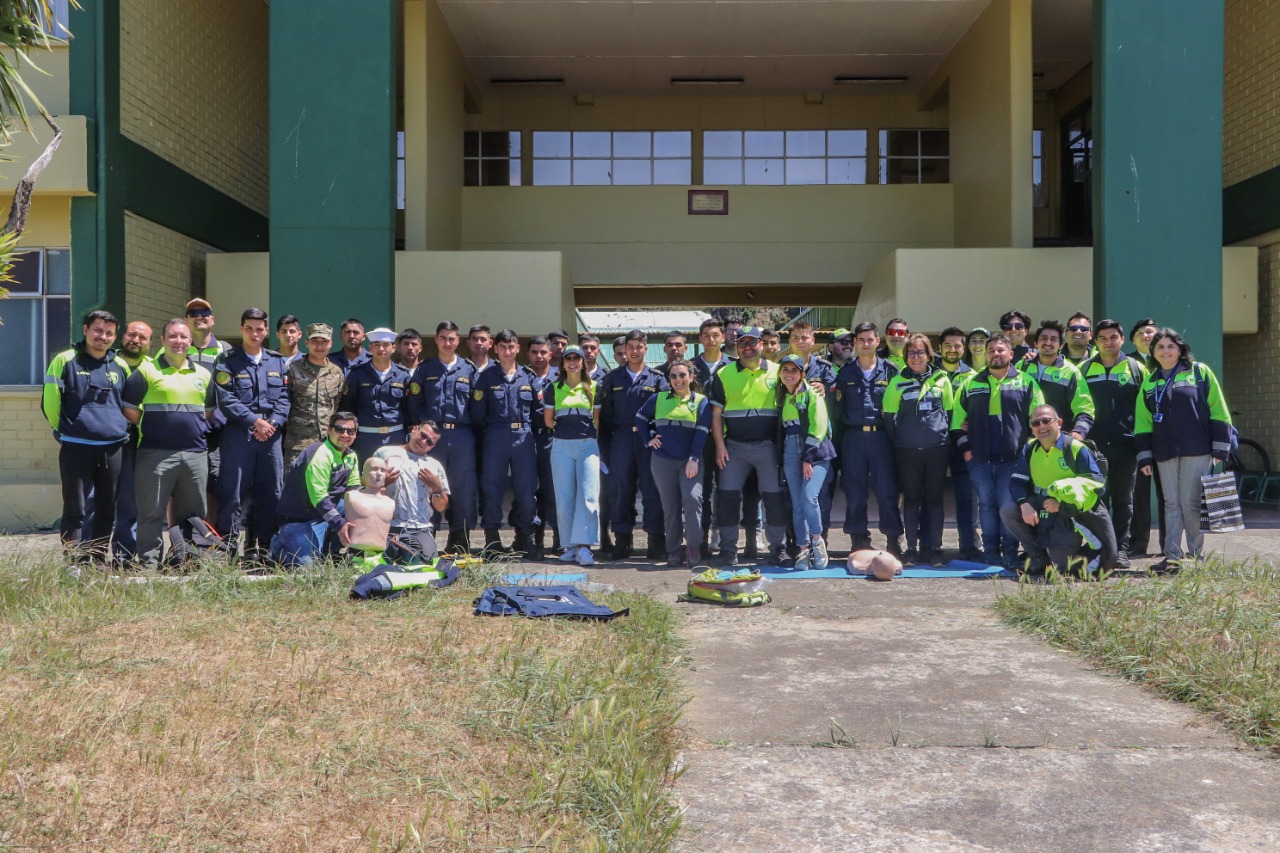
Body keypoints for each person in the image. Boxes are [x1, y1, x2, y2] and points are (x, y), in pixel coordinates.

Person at [1135, 328, 1233, 573]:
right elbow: (1142, 422)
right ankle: (1172, 558)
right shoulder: (1150, 381)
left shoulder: (1199, 372)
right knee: (1171, 503)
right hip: (1164, 451)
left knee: (1190, 503)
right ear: (1153, 352)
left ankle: (1196, 557)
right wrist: (1145, 454)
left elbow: (1218, 409)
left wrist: (1220, 448)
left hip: (1196, 449)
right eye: (1160, 347)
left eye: (1170, 346)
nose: (1165, 351)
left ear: (1180, 349)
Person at [121, 318, 213, 568]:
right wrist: (151, 425)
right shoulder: (148, 371)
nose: (179, 341)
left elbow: (208, 412)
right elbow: (128, 407)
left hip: (195, 454)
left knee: (193, 515)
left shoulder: (203, 374)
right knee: (151, 513)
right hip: (155, 454)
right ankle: (149, 565)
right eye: (173, 336)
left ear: (190, 341)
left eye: (183, 337)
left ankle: (188, 562)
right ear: (162, 341)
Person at [42, 309, 131, 561]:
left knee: (106, 510)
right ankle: (74, 563)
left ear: (115, 337)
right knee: (75, 510)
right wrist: (64, 431)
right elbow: (50, 403)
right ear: (85, 330)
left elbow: (128, 405)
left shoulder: (120, 365)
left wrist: (121, 430)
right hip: (76, 447)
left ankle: (98, 561)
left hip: (113, 447)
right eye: (97, 330)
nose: (102, 336)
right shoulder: (65, 360)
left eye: (109, 333)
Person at [951, 333, 1044, 569]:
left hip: (1012, 460)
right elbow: (956, 421)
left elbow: (1039, 419)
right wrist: (966, 450)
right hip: (979, 460)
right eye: (991, 350)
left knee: (1007, 507)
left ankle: (1011, 551)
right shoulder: (971, 384)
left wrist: (1028, 452)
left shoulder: (1026, 382)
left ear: (1011, 354)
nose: (995, 353)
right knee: (986, 506)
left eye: (1001, 350)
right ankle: (991, 551)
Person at [210, 307, 291, 558]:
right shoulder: (227, 360)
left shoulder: (277, 360)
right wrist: (256, 421)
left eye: (259, 329)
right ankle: (228, 549)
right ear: (241, 329)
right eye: (249, 328)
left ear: (266, 331)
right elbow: (226, 399)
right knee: (232, 493)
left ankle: (264, 548)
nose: (254, 333)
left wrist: (273, 423)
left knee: (271, 494)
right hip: (240, 435)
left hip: (271, 437)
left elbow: (286, 399)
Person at [1003, 404, 1117, 576]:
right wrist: (1024, 504)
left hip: (1070, 510)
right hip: (1042, 505)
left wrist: (1063, 504)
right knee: (1008, 510)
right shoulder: (1030, 448)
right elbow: (1016, 483)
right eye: (1036, 423)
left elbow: (1097, 484)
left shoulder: (1075, 448)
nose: (1041, 426)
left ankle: (1062, 555)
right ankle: (1037, 555)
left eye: (1046, 421)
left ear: (1059, 423)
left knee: (1063, 570)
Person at [708, 325, 788, 566]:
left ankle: (777, 548)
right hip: (734, 448)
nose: (748, 348)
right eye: (743, 343)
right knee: (728, 499)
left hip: (767, 448)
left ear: (761, 345)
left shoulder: (777, 371)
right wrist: (720, 447)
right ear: (736, 346)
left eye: (753, 343)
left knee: (774, 500)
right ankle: (728, 550)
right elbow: (715, 415)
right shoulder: (723, 374)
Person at [471, 328, 544, 558]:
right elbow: (477, 413)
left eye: (511, 346)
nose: (506, 351)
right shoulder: (486, 377)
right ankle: (492, 541)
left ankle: (527, 539)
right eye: (502, 347)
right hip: (496, 435)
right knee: (492, 488)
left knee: (526, 489)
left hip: (523, 436)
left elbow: (539, 411)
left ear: (517, 348)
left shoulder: (528, 376)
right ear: (496, 348)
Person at [882, 334, 954, 567]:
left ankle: (934, 548)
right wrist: (903, 441)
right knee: (912, 499)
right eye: (911, 353)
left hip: (937, 449)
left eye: (920, 352)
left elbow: (950, 414)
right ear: (905, 356)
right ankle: (911, 548)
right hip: (908, 451)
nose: (916, 357)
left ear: (929, 355)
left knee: (934, 499)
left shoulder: (942, 379)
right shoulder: (897, 382)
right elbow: (889, 418)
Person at [1080, 319, 1147, 569]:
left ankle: (1120, 550)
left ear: (1122, 340)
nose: (1109, 342)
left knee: (1123, 501)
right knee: (1097, 500)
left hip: (1126, 447)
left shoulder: (1137, 368)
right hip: (1093, 448)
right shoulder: (1084, 369)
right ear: (1095, 342)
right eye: (1103, 338)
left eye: (1113, 337)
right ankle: (1101, 548)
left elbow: (1147, 408)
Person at [597, 330, 669, 560]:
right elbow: (605, 418)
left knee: (652, 490)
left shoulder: (657, 379)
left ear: (646, 349)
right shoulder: (612, 378)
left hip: (648, 441)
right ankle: (622, 540)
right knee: (620, 490)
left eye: (639, 346)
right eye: (631, 347)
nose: (635, 351)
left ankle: (656, 540)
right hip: (621, 440)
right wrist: (606, 449)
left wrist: (656, 436)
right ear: (624, 350)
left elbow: (665, 412)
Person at [409, 321, 479, 554]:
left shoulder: (469, 370)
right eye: (443, 338)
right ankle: (427, 540)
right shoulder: (425, 369)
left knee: (463, 490)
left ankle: (459, 541)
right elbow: (415, 403)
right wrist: (425, 431)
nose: (448, 343)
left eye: (452, 338)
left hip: (461, 436)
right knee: (429, 486)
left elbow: (478, 406)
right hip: (432, 438)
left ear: (458, 341)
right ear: (436, 340)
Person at [834, 322, 903, 555]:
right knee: (855, 493)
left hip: (882, 438)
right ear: (855, 343)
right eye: (861, 340)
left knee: (887, 491)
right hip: (853, 438)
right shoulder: (845, 373)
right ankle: (858, 538)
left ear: (877, 341)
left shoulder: (891, 371)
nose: (865, 344)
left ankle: (893, 539)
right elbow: (837, 409)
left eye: (870, 339)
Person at [637, 357, 711, 567]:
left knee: (692, 500)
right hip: (662, 462)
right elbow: (640, 418)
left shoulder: (701, 401)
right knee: (670, 507)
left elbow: (702, 432)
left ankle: (694, 547)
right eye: (673, 376)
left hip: (690, 462)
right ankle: (674, 550)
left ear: (691, 377)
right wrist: (648, 438)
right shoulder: (659, 398)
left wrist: (694, 459)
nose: (678, 380)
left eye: (682, 375)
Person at [271, 411, 361, 567]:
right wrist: (340, 525)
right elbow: (319, 498)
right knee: (307, 567)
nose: (345, 434)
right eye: (339, 429)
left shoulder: (351, 455)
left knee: (360, 507)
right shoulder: (319, 455)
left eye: (350, 431)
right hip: (300, 518)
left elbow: (354, 491)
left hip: (324, 514)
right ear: (329, 430)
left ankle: (333, 550)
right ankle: (278, 544)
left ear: (355, 434)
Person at [776, 354, 835, 570]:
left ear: (802, 374)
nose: (789, 374)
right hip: (790, 448)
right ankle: (802, 548)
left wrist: (808, 457)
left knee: (809, 497)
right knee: (796, 502)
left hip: (815, 450)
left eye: (794, 370)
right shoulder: (782, 397)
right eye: (785, 370)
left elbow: (819, 427)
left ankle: (817, 541)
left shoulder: (812, 394)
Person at [544, 345, 602, 566]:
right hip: (561, 446)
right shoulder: (554, 388)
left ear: (582, 361)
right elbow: (548, 420)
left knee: (588, 495)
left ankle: (584, 546)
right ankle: (569, 546)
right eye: (568, 359)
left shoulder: (594, 387)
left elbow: (597, 420)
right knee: (565, 497)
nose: (572, 362)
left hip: (588, 446)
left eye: (576, 358)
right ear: (563, 363)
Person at [936, 326, 981, 560]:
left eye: (957, 346)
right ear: (940, 348)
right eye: (948, 345)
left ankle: (969, 544)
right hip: (934, 442)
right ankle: (931, 544)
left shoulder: (973, 377)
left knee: (966, 495)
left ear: (963, 349)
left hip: (962, 443)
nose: (953, 350)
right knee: (931, 496)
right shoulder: (930, 373)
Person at [185, 298, 231, 519]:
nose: (199, 316)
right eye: (193, 313)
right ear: (187, 320)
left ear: (213, 319)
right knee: (182, 487)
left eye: (205, 312)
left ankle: (210, 542)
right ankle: (179, 542)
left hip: (218, 432)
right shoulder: (176, 347)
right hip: (185, 430)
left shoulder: (227, 350)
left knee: (215, 483)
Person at [375, 421, 450, 558]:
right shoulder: (385, 453)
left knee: (426, 562)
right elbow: (367, 492)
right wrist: (383, 483)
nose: (423, 441)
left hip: (420, 528)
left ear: (432, 447)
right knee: (384, 561)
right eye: (423, 435)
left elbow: (441, 507)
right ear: (415, 430)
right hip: (388, 525)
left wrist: (437, 487)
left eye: (429, 442)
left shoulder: (434, 466)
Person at [692, 318, 734, 558]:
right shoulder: (691, 366)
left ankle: (725, 538)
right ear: (700, 339)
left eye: (715, 335)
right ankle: (701, 541)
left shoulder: (733, 366)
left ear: (723, 338)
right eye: (706, 335)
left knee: (726, 490)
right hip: (697, 439)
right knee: (701, 490)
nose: (711, 339)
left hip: (726, 438)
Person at [340, 327, 412, 462]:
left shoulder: (403, 375)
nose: (381, 349)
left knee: (396, 477)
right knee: (367, 479)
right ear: (370, 348)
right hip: (366, 438)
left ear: (393, 348)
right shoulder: (357, 374)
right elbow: (348, 407)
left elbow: (409, 409)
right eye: (377, 345)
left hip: (395, 437)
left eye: (386, 345)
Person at [113, 320, 152, 560]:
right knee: (97, 501)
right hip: (107, 443)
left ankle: (124, 557)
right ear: (123, 336)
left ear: (150, 343)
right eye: (131, 335)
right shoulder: (107, 361)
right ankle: (89, 559)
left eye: (142, 337)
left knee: (130, 502)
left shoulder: (153, 368)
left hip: (139, 442)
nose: (135, 341)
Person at [284, 323, 347, 468]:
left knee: (324, 486)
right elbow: (284, 401)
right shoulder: (292, 369)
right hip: (298, 443)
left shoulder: (336, 372)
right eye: (315, 342)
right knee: (294, 485)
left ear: (330, 344)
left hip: (327, 442)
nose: (319, 346)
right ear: (306, 343)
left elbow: (336, 405)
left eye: (324, 342)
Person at [1127, 316, 1163, 556]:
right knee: (1138, 494)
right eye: (1140, 333)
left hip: (1166, 437)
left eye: (1150, 331)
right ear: (1132, 340)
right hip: (1138, 435)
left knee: (1167, 494)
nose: (1145, 336)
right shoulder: (1126, 364)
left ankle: (1169, 546)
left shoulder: (1170, 360)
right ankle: (1138, 543)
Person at [1026, 320, 1095, 440]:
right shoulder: (1022, 367)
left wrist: (1078, 432)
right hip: (1026, 441)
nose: (1048, 342)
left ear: (1061, 345)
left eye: (1053, 339)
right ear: (1036, 343)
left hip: (1058, 442)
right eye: (1043, 338)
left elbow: (1085, 408)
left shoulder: (1071, 372)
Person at [527, 336, 558, 554]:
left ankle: (559, 537)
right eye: (535, 352)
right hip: (527, 439)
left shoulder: (561, 378)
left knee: (553, 489)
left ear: (550, 354)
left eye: (543, 352)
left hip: (552, 439)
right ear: (528, 354)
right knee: (529, 489)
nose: (539, 356)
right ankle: (533, 538)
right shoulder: (521, 377)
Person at [343, 456, 397, 567]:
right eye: (374, 469)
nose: (379, 473)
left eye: (383, 470)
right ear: (364, 474)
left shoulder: (390, 502)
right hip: (356, 555)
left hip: (380, 558)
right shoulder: (352, 496)